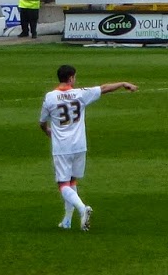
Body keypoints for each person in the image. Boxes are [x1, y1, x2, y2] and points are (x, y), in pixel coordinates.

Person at [39, 64, 137, 231]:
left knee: (63, 184)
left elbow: (42, 122)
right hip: (80, 145)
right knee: (72, 181)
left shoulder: (50, 97)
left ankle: (82, 208)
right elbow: (104, 88)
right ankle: (67, 220)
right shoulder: (80, 94)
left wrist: (47, 131)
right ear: (70, 78)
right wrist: (122, 83)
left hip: (62, 146)